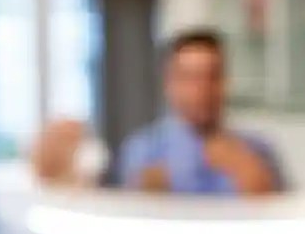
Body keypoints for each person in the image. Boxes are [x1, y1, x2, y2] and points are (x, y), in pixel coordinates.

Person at [118, 29, 284, 196]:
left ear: (226, 83)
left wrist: (246, 170)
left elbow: (284, 214)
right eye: (190, 77)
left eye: (212, 76)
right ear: (169, 85)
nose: (203, 89)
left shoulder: (259, 151)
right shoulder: (144, 151)